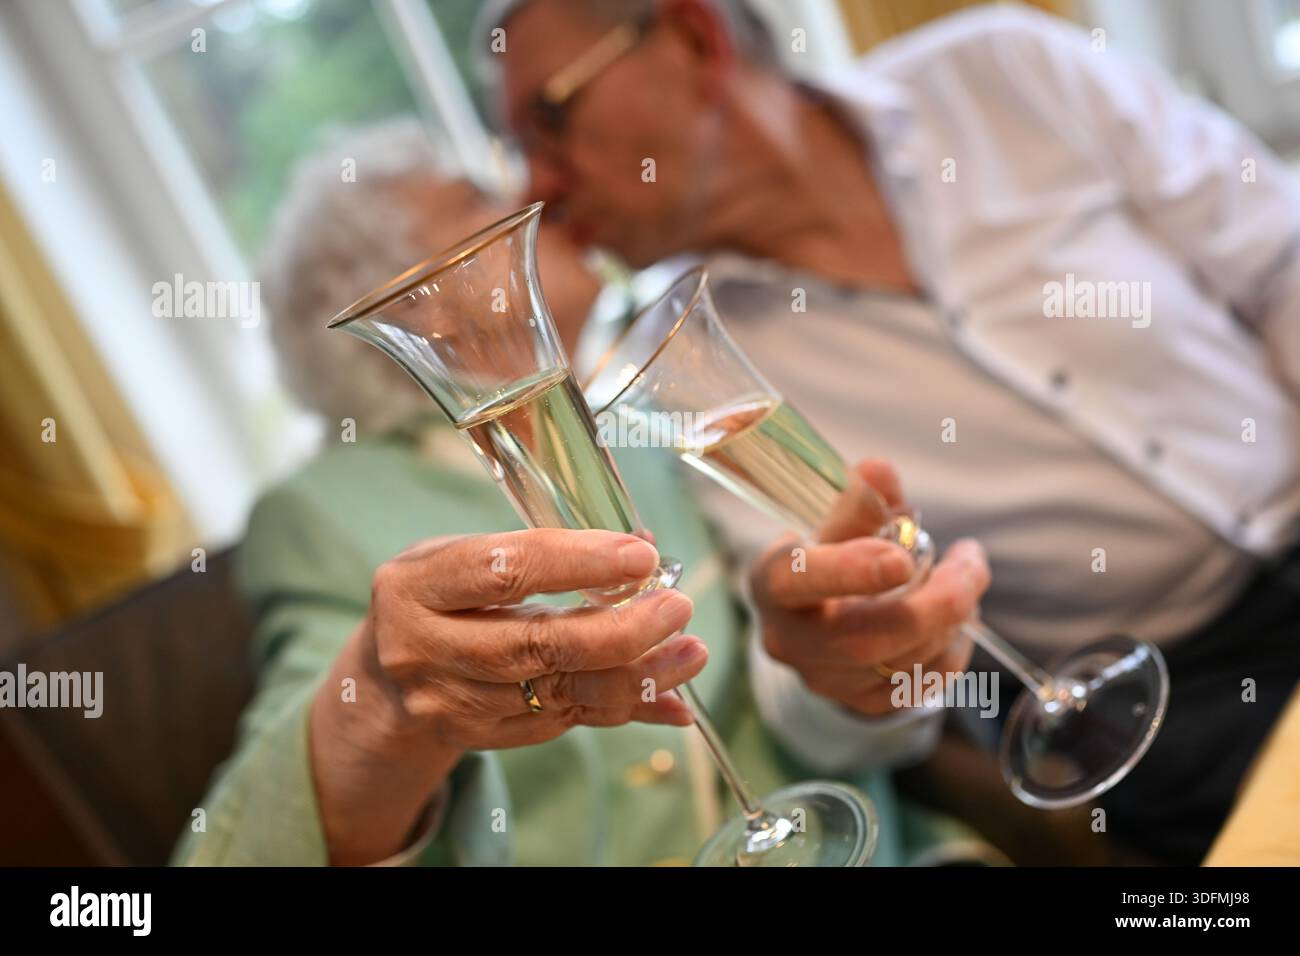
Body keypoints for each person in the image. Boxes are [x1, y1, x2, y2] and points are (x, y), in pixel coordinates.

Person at [485, 0, 1300, 863]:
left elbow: (1279, 259)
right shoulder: (665, 369)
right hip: (1162, 712)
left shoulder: (1002, 73)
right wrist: (847, 670)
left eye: (551, 116)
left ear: (695, 39)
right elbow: (820, 707)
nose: (536, 183)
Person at [170, 119, 991, 866]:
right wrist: (380, 712)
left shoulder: (643, 421)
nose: (538, 194)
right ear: (400, 285)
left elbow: (794, 702)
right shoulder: (323, 509)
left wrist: (853, 671)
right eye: (477, 197)